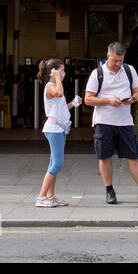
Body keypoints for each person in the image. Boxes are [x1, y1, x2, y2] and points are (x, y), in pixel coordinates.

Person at [84, 42, 138, 205]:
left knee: (133, 156)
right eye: (115, 60)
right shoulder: (98, 73)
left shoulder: (129, 70)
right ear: (108, 56)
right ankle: (109, 191)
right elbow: (88, 99)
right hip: (103, 121)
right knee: (105, 156)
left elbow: (137, 92)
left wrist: (132, 98)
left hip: (125, 121)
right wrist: (108, 100)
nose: (118, 64)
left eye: (120, 61)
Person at [35, 58, 81, 207]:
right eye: (61, 71)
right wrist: (55, 77)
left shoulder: (54, 86)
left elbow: (62, 107)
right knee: (57, 163)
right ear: (53, 72)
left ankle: (50, 196)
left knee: (54, 163)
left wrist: (74, 103)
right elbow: (59, 94)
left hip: (59, 129)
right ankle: (41, 197)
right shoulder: (50, 87)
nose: (64, 74)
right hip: (54, 130)